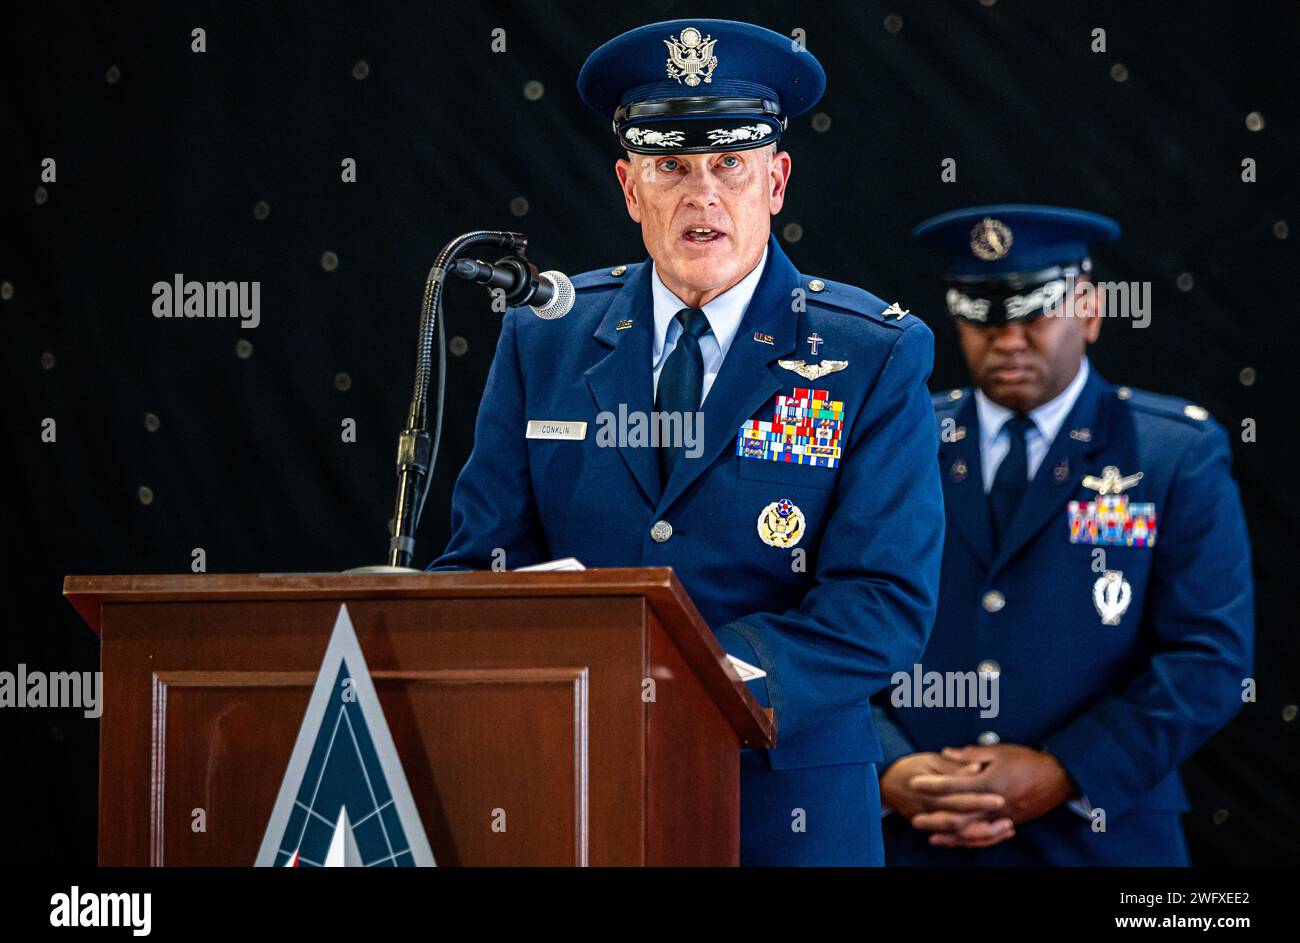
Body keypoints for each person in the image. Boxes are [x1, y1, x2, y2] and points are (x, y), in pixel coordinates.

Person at [428, 19, 945, 865]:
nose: (702, 194)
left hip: (781, 807)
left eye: (729, 165)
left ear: (775, 181)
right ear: (631, 188)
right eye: (671, 165)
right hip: (572, 793)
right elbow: (482, 562)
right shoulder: (545, 336)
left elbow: (883, 603)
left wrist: (691, 673)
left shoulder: (871, 353)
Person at [873, 204, 1254, 865]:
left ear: (1091, 310)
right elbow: (834, 617)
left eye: (1035, 311)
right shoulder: (898, 443)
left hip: (1102, 835)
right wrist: (887, 764)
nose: (1009, 338)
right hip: (913, 837)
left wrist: (1065, 770)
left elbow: (1210, 657)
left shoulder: (1171, 453)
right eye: (983, 314)